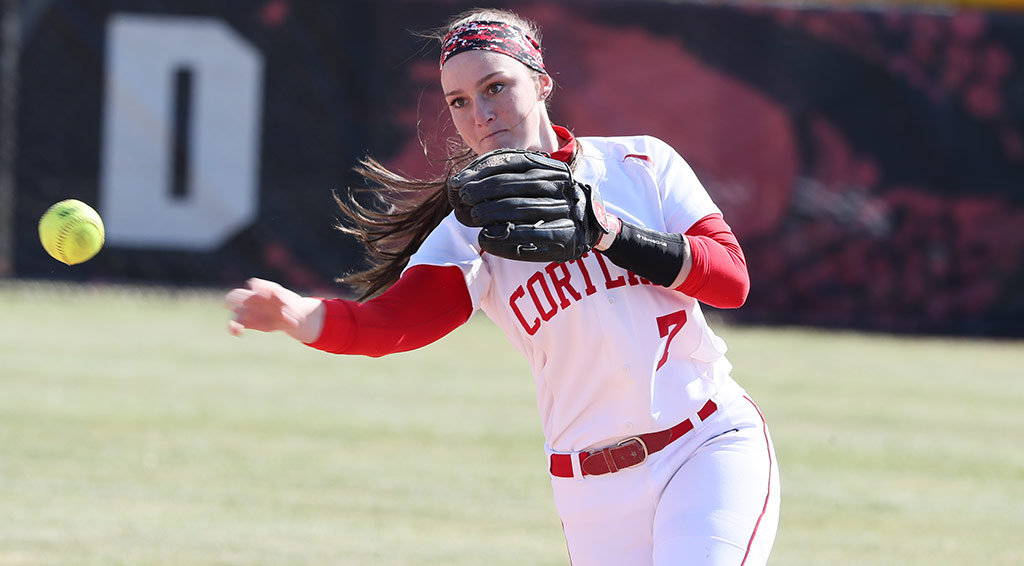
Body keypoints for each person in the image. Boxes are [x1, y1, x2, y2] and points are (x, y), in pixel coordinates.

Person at [225, 8, 780, 565]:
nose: (481, 114)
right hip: (591, 489)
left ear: (541, 83)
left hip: (703, 446)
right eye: (460, 101)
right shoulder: (471, 230)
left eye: (496, 87)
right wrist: (302, 317)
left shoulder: (640, 164)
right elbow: (397, 321)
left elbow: (730, 280)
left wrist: (609, 232)